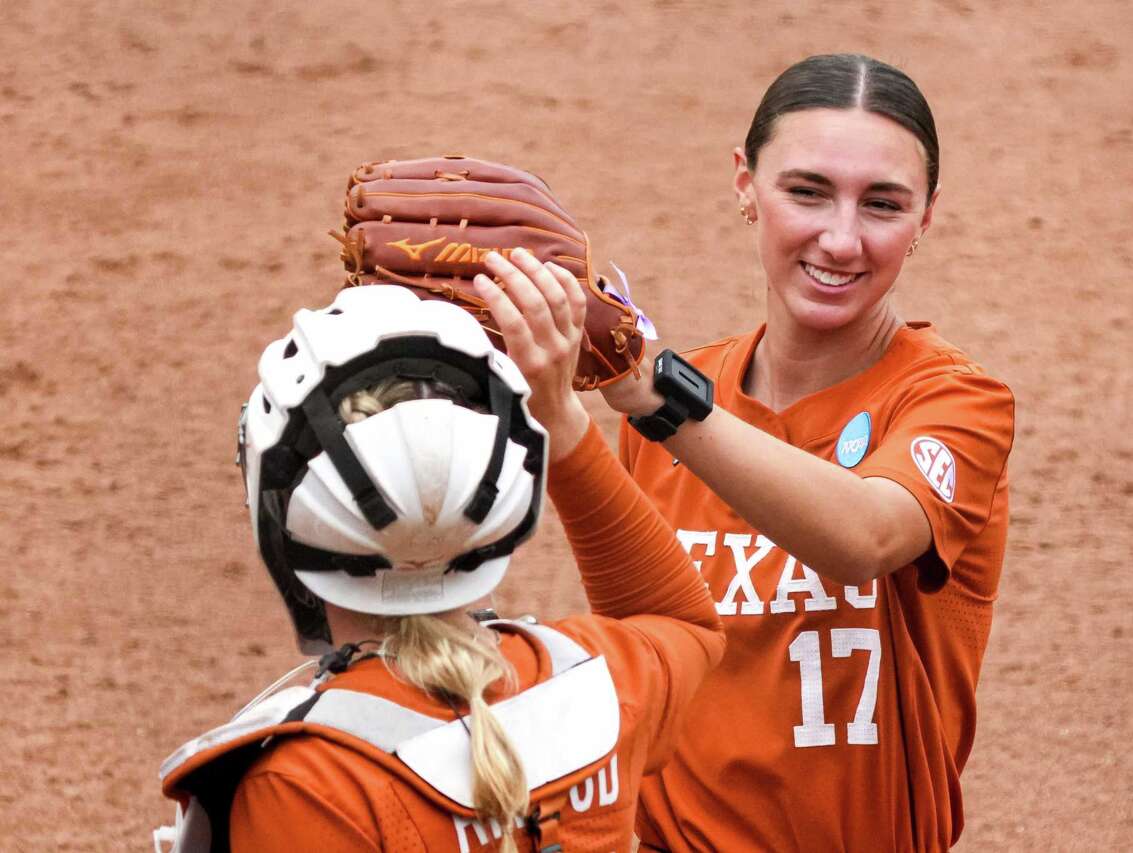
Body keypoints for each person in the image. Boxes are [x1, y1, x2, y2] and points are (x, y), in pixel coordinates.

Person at [157, 250, 725, 852]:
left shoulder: (308, 781)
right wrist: (560, 421)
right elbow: (680, 620)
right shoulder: (602, 682)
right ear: (508, 486)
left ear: (280, 518)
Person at [599, 54, 1016, 851]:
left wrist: (659, 398)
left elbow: (864, 539)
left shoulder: (957, 403)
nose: (842, 237)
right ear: (744, 185)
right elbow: (636, 653)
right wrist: (554, 402)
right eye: (807, 190)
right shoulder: (664, 407)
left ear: (927, 216)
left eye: (884, 204)